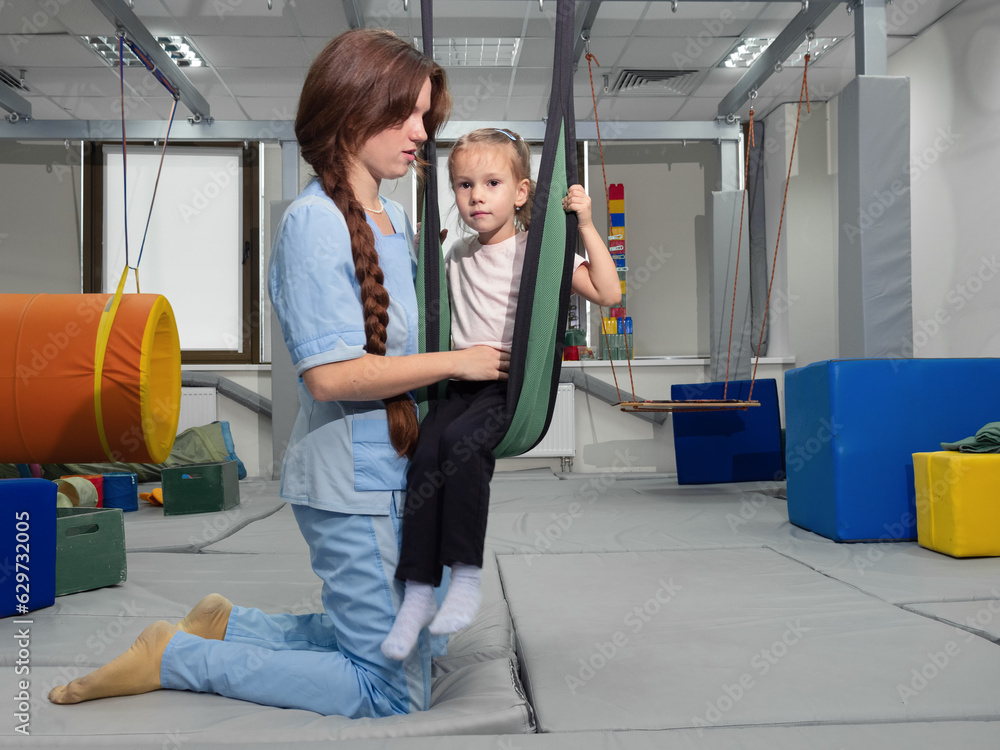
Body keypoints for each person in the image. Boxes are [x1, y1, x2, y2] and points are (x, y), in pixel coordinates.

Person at [47, 29, 507, 718]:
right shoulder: (313, 223)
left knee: (429, 643)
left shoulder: (393, 217)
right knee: (392, 691)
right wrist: (460, 363)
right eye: (407, 114)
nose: (422, 132)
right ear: (354, 111)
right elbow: (329, 377)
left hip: (400, 469)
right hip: (349, 481)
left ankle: (230, 625)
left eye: (425, 116)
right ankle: (176, 657)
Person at [381, 127, 621, 660]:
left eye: (492, 183)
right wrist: (421, 252)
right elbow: (419, 303)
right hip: (455, 384)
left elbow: (608, 292)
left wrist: (585, 224)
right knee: (424, 456)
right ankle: (417, 591)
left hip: (506, 389)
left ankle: (465, 577)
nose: (476, 196)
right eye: (464, 185)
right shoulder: (454, 255)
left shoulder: (540, 254)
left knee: (462, 447)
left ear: (520, 192)